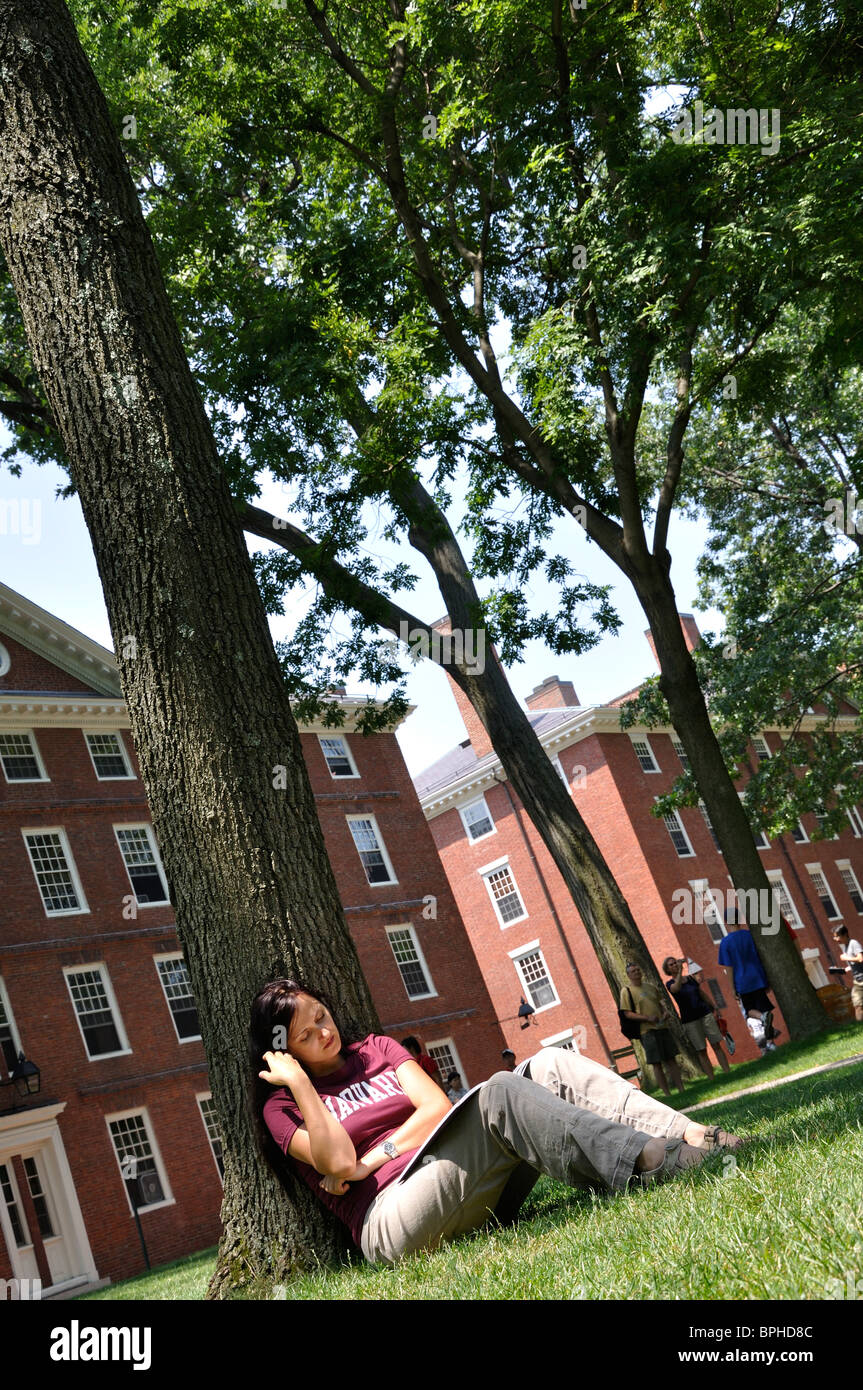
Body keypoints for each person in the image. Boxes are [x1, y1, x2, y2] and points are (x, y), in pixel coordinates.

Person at [251, 979, 744, 1267]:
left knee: (549, 1064)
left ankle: (694, 1135)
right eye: (305, 1034)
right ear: (284, 1049)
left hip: (462, 1179)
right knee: (499, 1091)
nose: (323, 1030)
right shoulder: (283, 1110)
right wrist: (297, 1084)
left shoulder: (376, 1050)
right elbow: (335, 1160)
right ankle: (645, 1160)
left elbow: (438, 1111)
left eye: (321, 1015)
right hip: (392, 1219)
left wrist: (372, 1158)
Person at [620, 961, 684, 1096]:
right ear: (628, 975)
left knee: (671, 1059)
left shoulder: (650, 987)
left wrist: (665, 1012)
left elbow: (661, 1004)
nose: (637, 973)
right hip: (647, 1031)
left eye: (638, 970)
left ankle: (681, 1089)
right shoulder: (627, 992)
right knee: (657, 1063)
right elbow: (627, 1013)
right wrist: (646, 1018)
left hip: (662, 1027)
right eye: (633, 971)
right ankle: (667, 1094)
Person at [662, 956, 731, 1079]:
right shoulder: (670, 984)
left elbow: (701, 994)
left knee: (716, 1045)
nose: (674, 965)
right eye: (671, 965)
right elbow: (676, 989)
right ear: (667, 969)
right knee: (701, 1050)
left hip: (705, 1014)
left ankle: (728, 1073)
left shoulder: (690, 979)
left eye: (675, 963)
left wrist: (714, 1008)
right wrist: (679, 973)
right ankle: (712, 1078)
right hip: (690, 1020)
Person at [717, 908, 776, 1021]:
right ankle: (769, 1036)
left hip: (742, 982)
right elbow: (761, 956)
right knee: (764, 1007)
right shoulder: (750, 935)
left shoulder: (725, 943)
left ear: (726, 921)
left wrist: (732, 989)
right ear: (739, 919)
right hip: (757, 976)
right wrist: (766, 977)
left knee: (750, 1010)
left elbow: (729, 968)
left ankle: (762, 1018)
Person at [832, 925, 863, 1022]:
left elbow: (860, 958)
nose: (836, 939)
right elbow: (855, 964)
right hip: (858, 981)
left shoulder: (854, 943)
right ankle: (860, 1028)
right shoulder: (846, 947)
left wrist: (846, 958)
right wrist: (845, 969)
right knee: (857, 1005)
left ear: (845, 934)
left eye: (838, 936)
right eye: (834, 937)